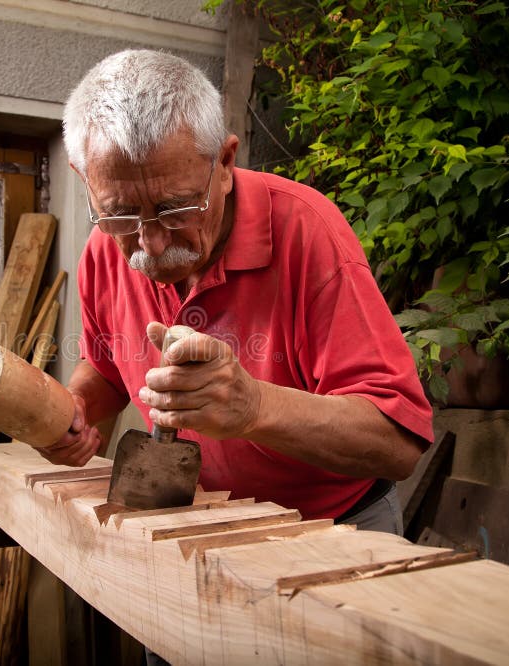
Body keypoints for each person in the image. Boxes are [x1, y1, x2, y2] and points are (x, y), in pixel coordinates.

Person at [40, 48, 433, 537]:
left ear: (225, 163)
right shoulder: (103, 250)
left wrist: (254, 407)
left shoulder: (306, 233)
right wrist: (74, 410)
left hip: (332, 528)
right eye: (120, 213)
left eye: (175, 208)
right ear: (85, 181)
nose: (151, 243)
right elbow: (106, 366)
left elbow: (398, 444)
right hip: (200, 518)